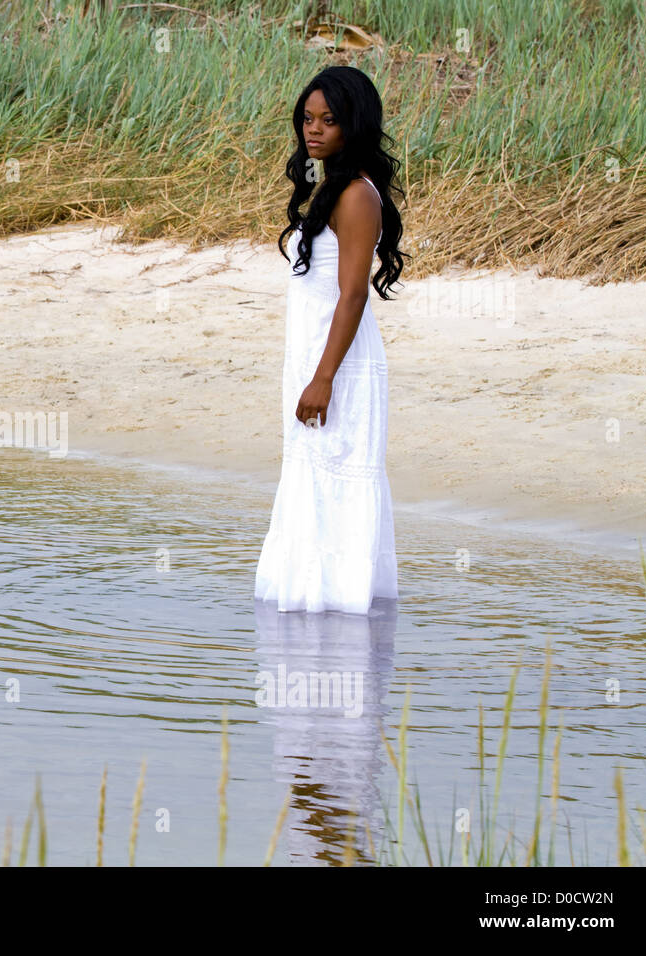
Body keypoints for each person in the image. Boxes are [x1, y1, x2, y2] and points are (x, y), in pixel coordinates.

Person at [254, 66, 407, 615]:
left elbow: (353, 296)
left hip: (339, 366)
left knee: (335, 478)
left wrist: (323, 378)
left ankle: (336, 612)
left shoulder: (357, 196)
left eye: (329, 120)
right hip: (316, 360)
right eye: (307, 118)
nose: (313, 130)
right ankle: (322, 630)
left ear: (354, 124)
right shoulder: (332, 187)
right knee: (312, 477)